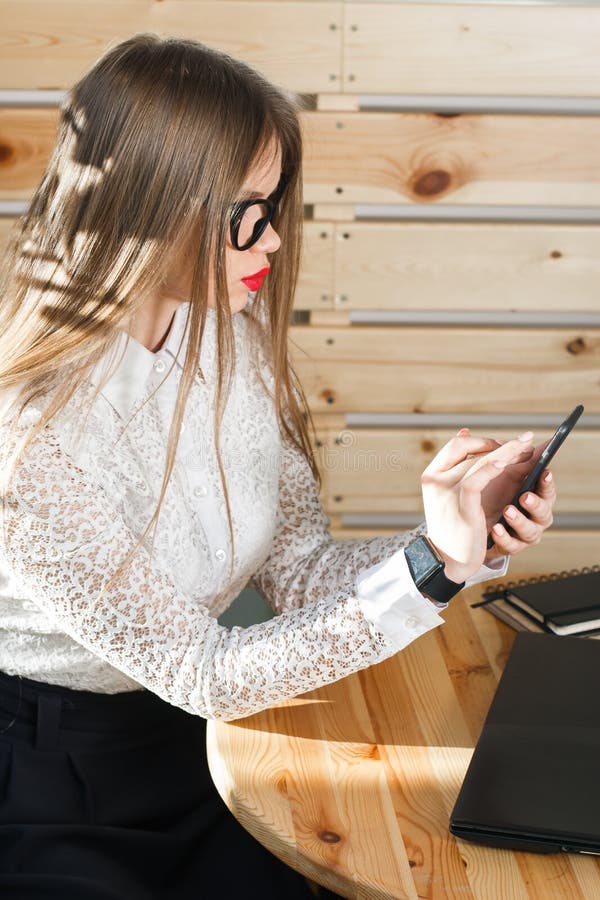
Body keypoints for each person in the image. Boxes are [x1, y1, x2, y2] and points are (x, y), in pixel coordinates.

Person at [0, 33, 556, 900]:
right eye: (248, 208)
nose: (273, 233)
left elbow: (295, 571)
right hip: (54, 772)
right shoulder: (27, 440)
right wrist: (424, 574)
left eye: (276, 200)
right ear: (155, 203)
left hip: (217, 741)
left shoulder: (233, 344)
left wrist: (453, 542)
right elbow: (203, 670)